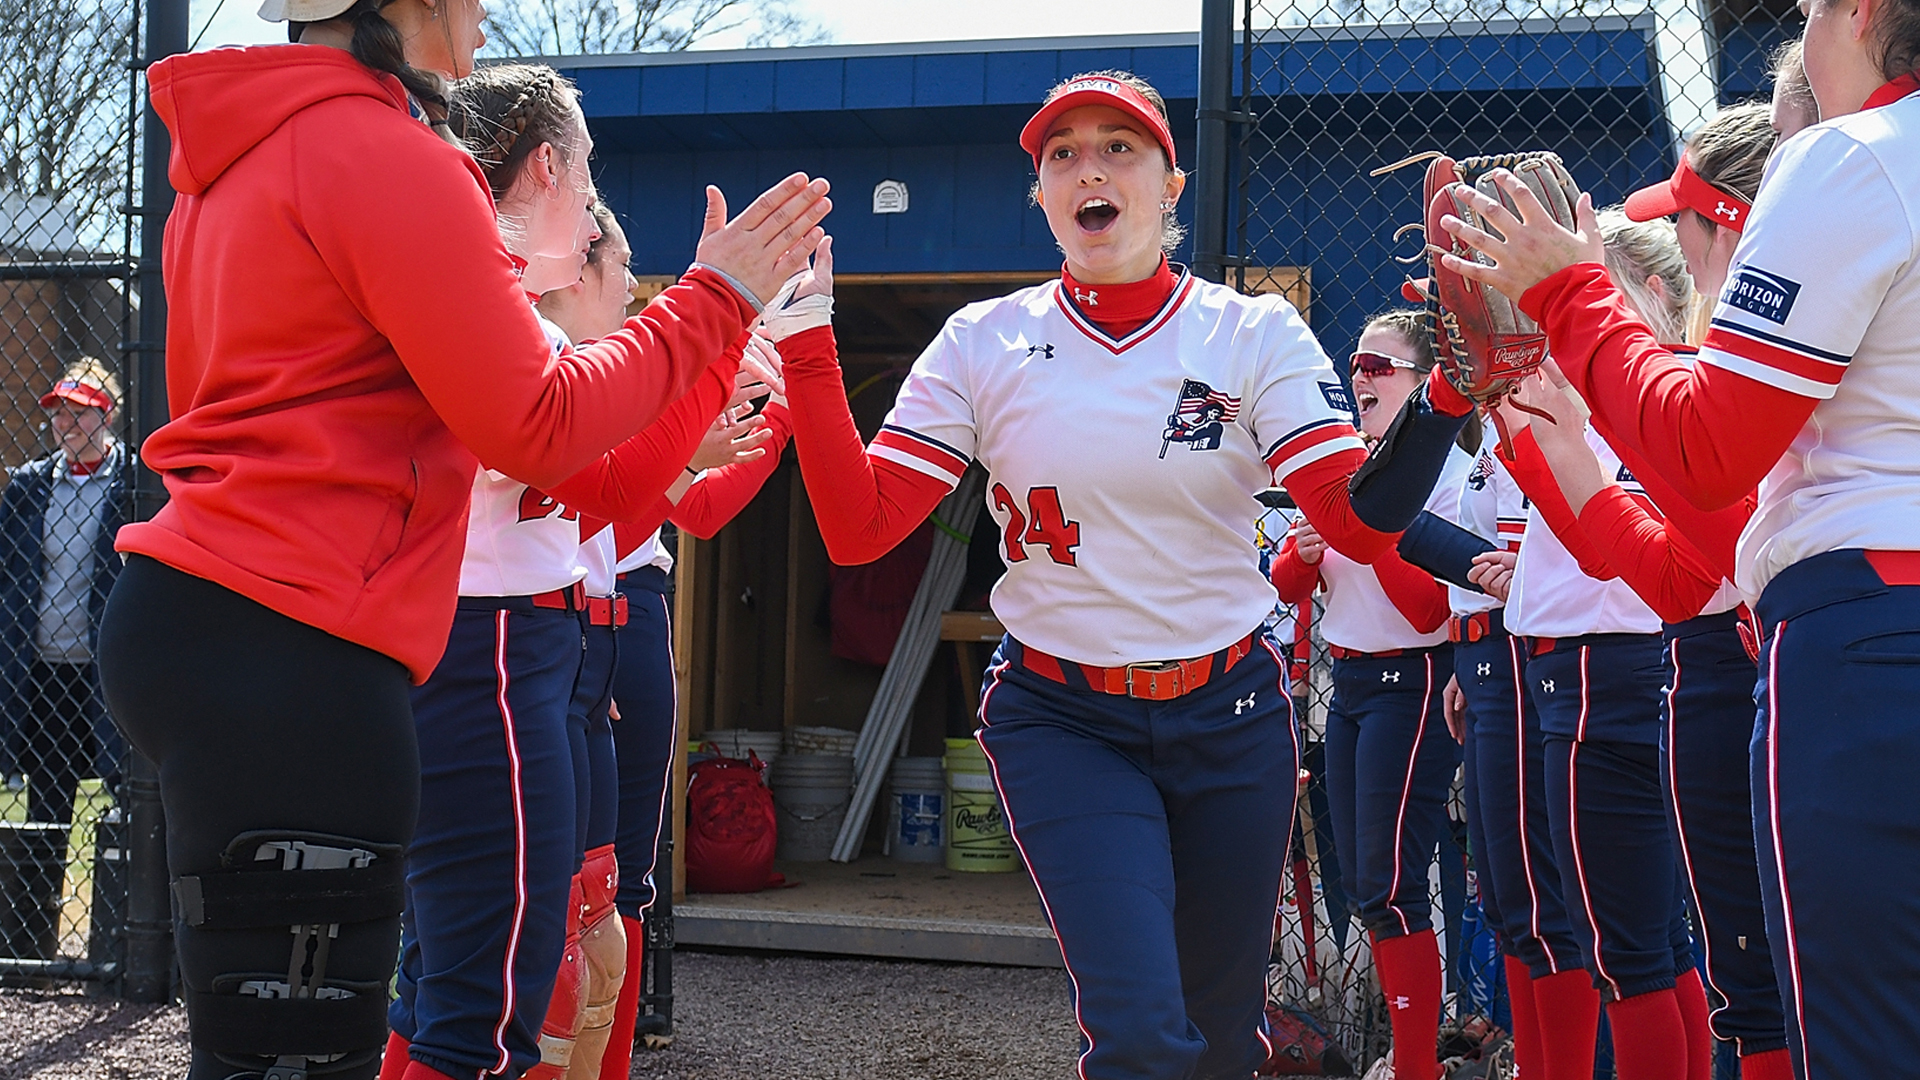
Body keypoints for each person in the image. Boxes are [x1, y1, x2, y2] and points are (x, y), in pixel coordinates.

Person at [100, 1, 830, 1074]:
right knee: (353, 1041)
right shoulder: (392, 154)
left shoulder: (240, 159)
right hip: (297, 645)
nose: (487, 16)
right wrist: (715, 299)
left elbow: (590, 475)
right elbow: (538, 426)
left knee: (274, 1050)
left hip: (212, 621)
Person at [772, 69, 1473, 1079]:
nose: (1089, 167)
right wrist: (806, 346)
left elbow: (1355, 528)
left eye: (1119, 146)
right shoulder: (985, 340)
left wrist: (1447, 390)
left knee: (1225, 1040)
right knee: (1143, 1035)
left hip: (1231, 715)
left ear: (1170, 183)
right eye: (1063, 154)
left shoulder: (1251, 331)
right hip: (1066, 719)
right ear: (1042, 195)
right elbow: (859, 527)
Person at [1439, 3, 1920, 1069]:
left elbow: (1700, 477)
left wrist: (1567, 296)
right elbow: (1682, 563)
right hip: (1787, 634)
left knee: (1837, 1024)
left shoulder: (1857, 156)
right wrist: (1545, 431)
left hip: (1861, 637)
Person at [1504, 204, 1789, 1080]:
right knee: (1687, 956)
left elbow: (1694, 563)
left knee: (1679, 956)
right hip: (1673, 661)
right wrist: (1523, 432)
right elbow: (1655, 568)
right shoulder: (1669, 387)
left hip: (1701, 665)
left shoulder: (1693, 385)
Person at [1270, 311, 1469, 1080]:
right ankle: (1409, 1056)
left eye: (1379, 367)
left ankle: (1417, 1063)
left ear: (1424, 386)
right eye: (1355, 365)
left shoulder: (1445, 475)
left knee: (1388, 882)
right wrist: (1307, 546)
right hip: (1351, 680)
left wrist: (1366, 530)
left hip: (1414, 679)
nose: (1360, 379)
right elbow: (1290, 587)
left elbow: (1430, 609)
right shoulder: (1353, 468)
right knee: (1363, 883)